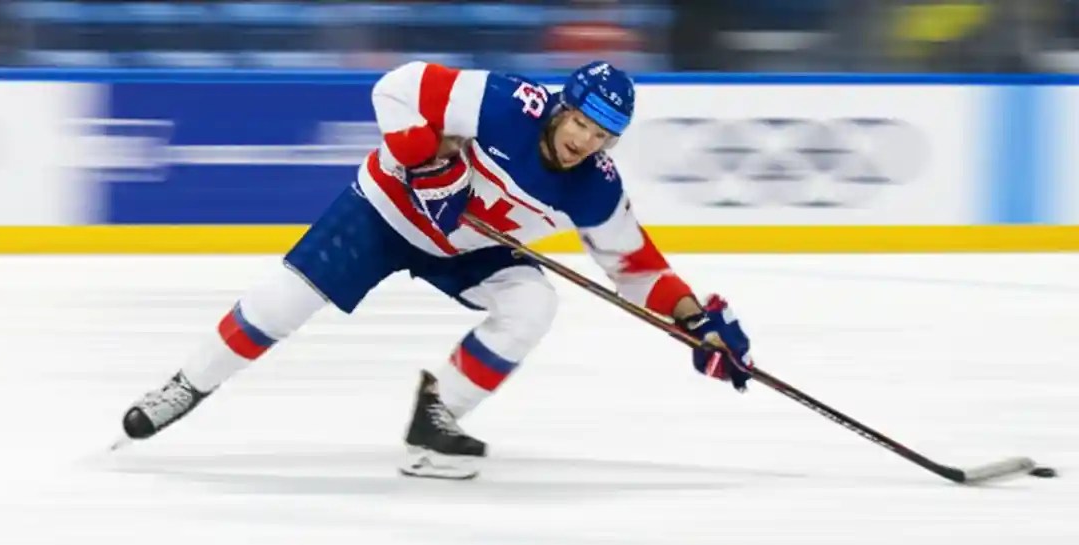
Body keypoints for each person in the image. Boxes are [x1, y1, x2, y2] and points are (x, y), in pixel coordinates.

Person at [117, 60, 754, 480]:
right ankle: (186, 385)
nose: (584, 141)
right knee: (281, 301)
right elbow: (394, 88)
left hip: (468, 248)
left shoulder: (594, 186)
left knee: (534, 302)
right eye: (582, 123)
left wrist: (695, 320)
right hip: (387, 211)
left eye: (602, 135)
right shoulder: (504, 102)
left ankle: (435, 417)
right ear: (562, 107)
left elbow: (636, 267)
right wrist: (429, 158)